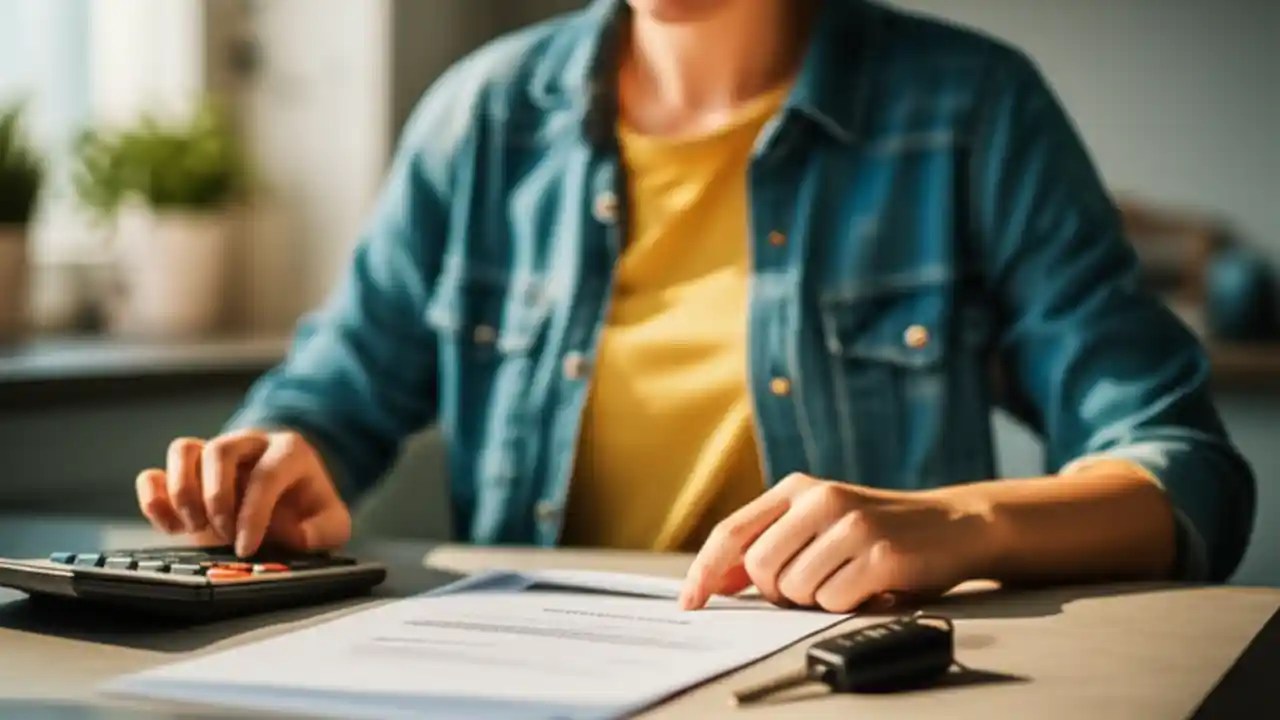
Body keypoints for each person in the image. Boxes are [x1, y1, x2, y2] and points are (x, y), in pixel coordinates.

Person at [134, 0, 1255, 613]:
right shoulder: (478, 119)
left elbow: (1180, 468)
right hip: (510, 675)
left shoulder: (972, 110)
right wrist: (278, 468)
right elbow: (331, 397)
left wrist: (961, 523)